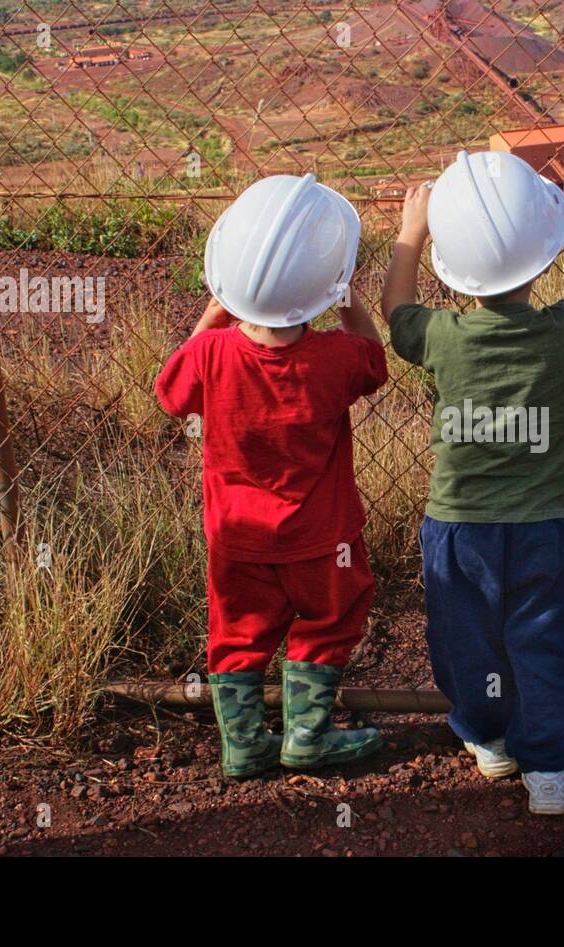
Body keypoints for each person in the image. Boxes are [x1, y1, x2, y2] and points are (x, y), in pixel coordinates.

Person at [382, 151, 564, 815]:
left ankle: (490, 734)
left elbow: (396, 308)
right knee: (540, 636)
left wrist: (411, 232)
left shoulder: (443, 337)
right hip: (542, 526)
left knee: (465, 636)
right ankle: (549, 767)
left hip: (458, 525)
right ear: (544, 260)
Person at [155, 174, 388, 778]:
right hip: (323, 539)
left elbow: (170, 393)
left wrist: (213, 313)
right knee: (331, 617)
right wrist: (346, 296)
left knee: (237, 630)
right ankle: (308, 734)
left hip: (238, 538)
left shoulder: (210, 355)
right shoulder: (335, 359)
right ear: (323, 286)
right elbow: (374, 361)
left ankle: (244, 744)